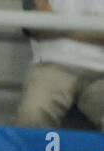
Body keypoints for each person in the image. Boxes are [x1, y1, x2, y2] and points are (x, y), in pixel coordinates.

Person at [15, 0, 104, 128]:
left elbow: (49, 25)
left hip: (101, 72)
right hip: (52, 65)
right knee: (32, 114)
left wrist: (59, 25)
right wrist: (90, 26)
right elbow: (35, 25)